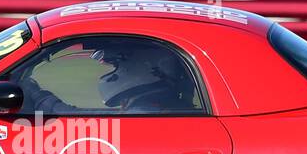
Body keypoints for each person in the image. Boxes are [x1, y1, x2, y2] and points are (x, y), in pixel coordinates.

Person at [19, 39, 195, 114]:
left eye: (116, 64)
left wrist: (36, 94)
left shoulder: (144, 112)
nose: (112, 71)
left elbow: (72, 118)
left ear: (146, 66)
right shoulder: (158, 106)